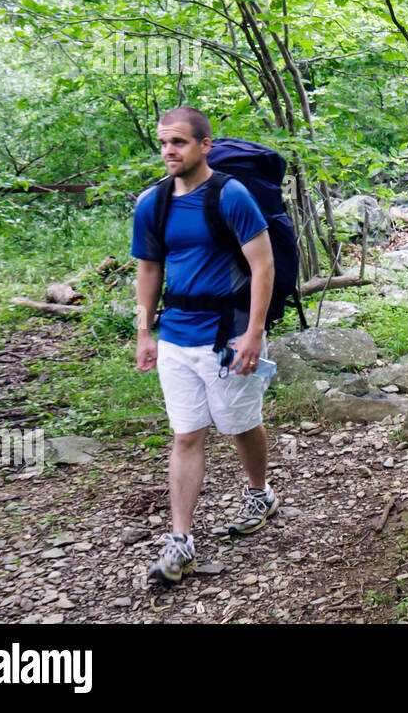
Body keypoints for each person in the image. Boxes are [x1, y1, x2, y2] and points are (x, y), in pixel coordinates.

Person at [132, 106, 280, 583]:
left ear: (203, 146)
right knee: (186, 434)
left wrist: (254, 332)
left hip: (228, 335)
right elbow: (149, 268)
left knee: (240, 425)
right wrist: (144, 331)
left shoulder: (231, 195)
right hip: (175, 336)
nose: (169, 151)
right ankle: (181, 542)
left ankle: (260, 491)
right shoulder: (152, 203)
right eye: (163, 143)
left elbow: (263, 265)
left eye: (178, 142)